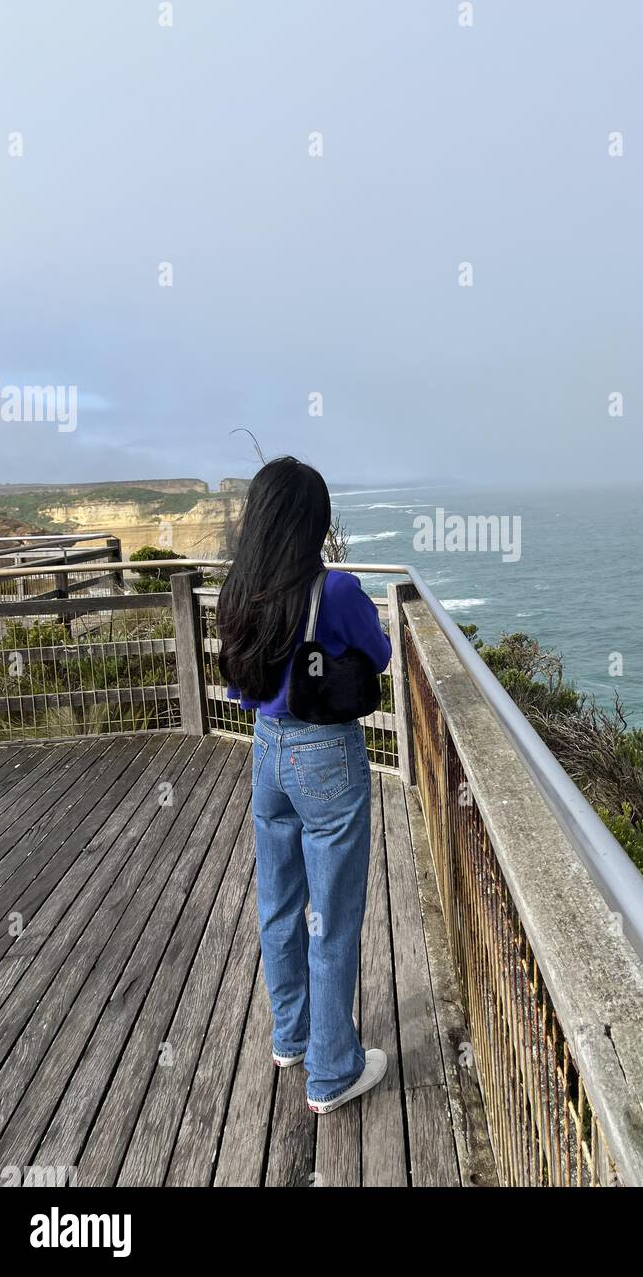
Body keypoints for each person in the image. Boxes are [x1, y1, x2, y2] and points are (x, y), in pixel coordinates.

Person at [217, 456, 391, 1114]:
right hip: (324, 757)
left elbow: (239, 680)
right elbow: (377, 654)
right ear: (313, 521)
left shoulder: (239, 591)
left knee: (279, 904)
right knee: (335, 918)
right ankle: (331, 1072)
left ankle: (290, 1039)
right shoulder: (335, 590)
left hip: (265, 751)